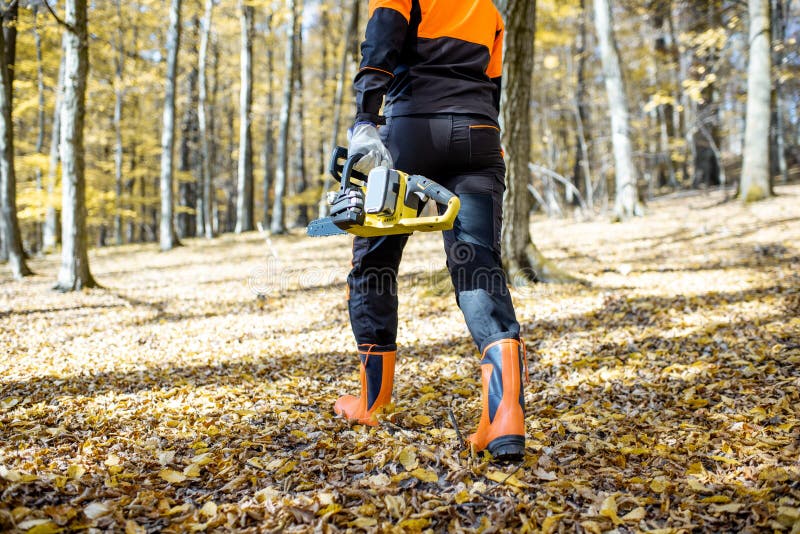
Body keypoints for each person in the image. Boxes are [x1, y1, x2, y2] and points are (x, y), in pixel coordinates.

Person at [333, 0, 527, 462]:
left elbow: (380, 42)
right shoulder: (492, 12)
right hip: (479, 135)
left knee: (375, 261)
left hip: (411, 131)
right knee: (476, 261)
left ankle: (371, 401)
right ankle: (504, 419)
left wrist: (365, 117)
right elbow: (493, 86)